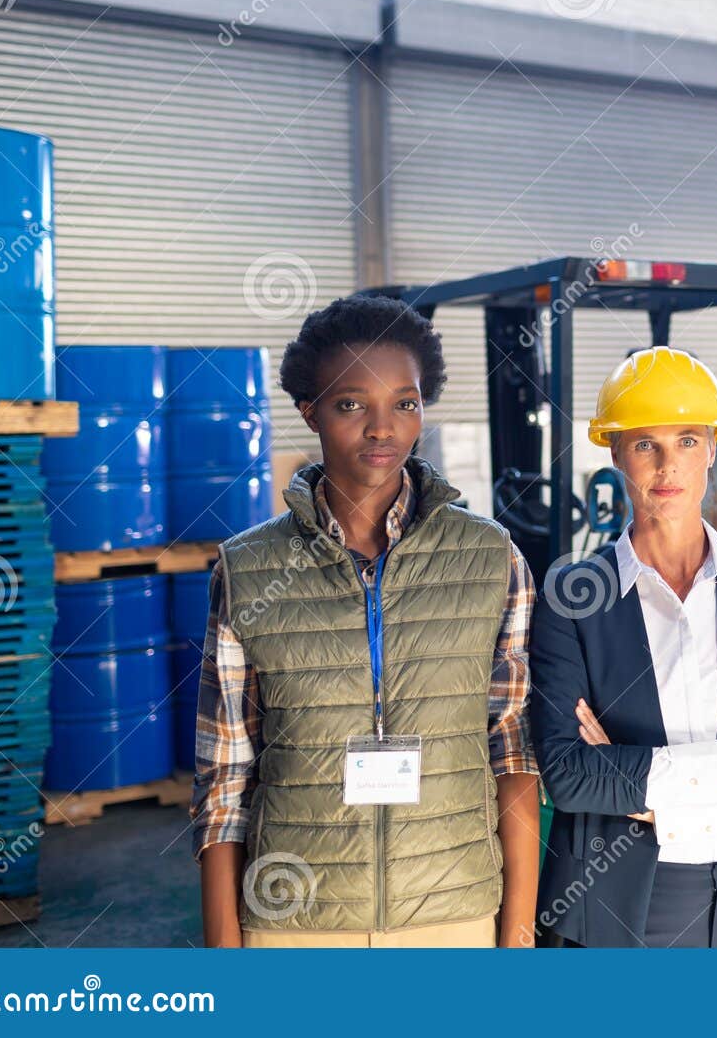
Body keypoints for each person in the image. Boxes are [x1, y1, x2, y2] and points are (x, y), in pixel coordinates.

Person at [189, 294, 541, 948]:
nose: (383, 429)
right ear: (310, 411)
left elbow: (513, 751)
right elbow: (224, 777)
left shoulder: (492, 557)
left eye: (405, 403)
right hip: (295, 926)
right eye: (353, 404)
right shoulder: (248, 569)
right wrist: (223, 949)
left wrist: (518, 933)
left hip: (454, 915)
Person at [530, 346, 717, 947]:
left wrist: (649, 790)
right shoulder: (573, 595)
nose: (668, 465)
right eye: (646, 444)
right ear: (615, 452)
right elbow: (569, 775)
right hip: (625, 904)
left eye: (688, 441)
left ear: (713, 449)